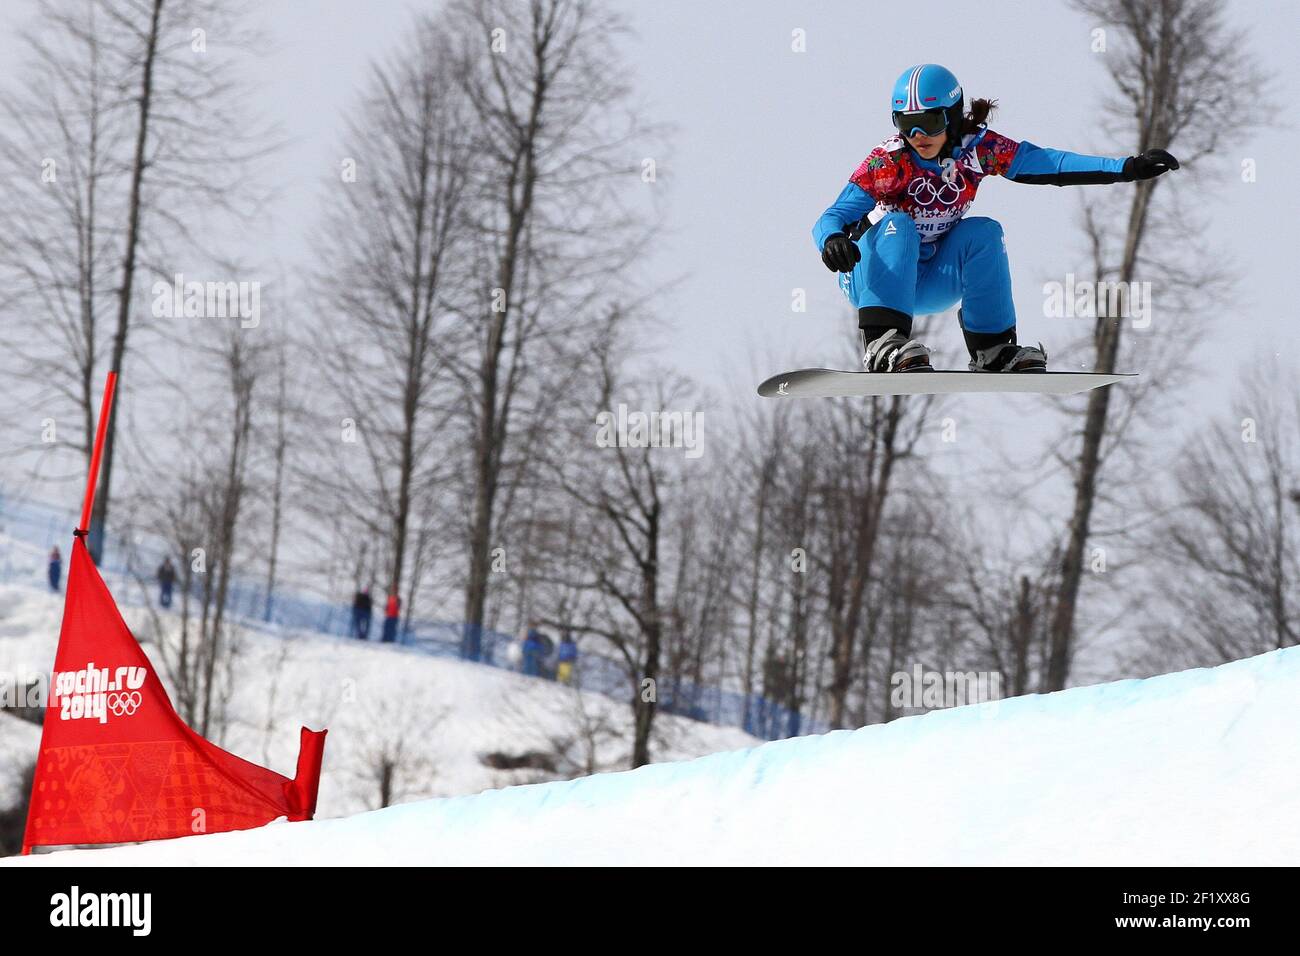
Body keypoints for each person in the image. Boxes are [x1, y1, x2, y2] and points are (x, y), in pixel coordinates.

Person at [812, 63, 1179, 373]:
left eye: (929, 121)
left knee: (984, 232)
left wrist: (1125, 168)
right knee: (901, 226)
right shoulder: (889, 161)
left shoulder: (978, 148)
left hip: (931, 280)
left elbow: (1047, 164)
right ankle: (882, 344)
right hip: (872, 279)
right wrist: (833, 241)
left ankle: (993, 349)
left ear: (952, 116)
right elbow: (830, 217)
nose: (919, 136)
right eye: (907, 125)